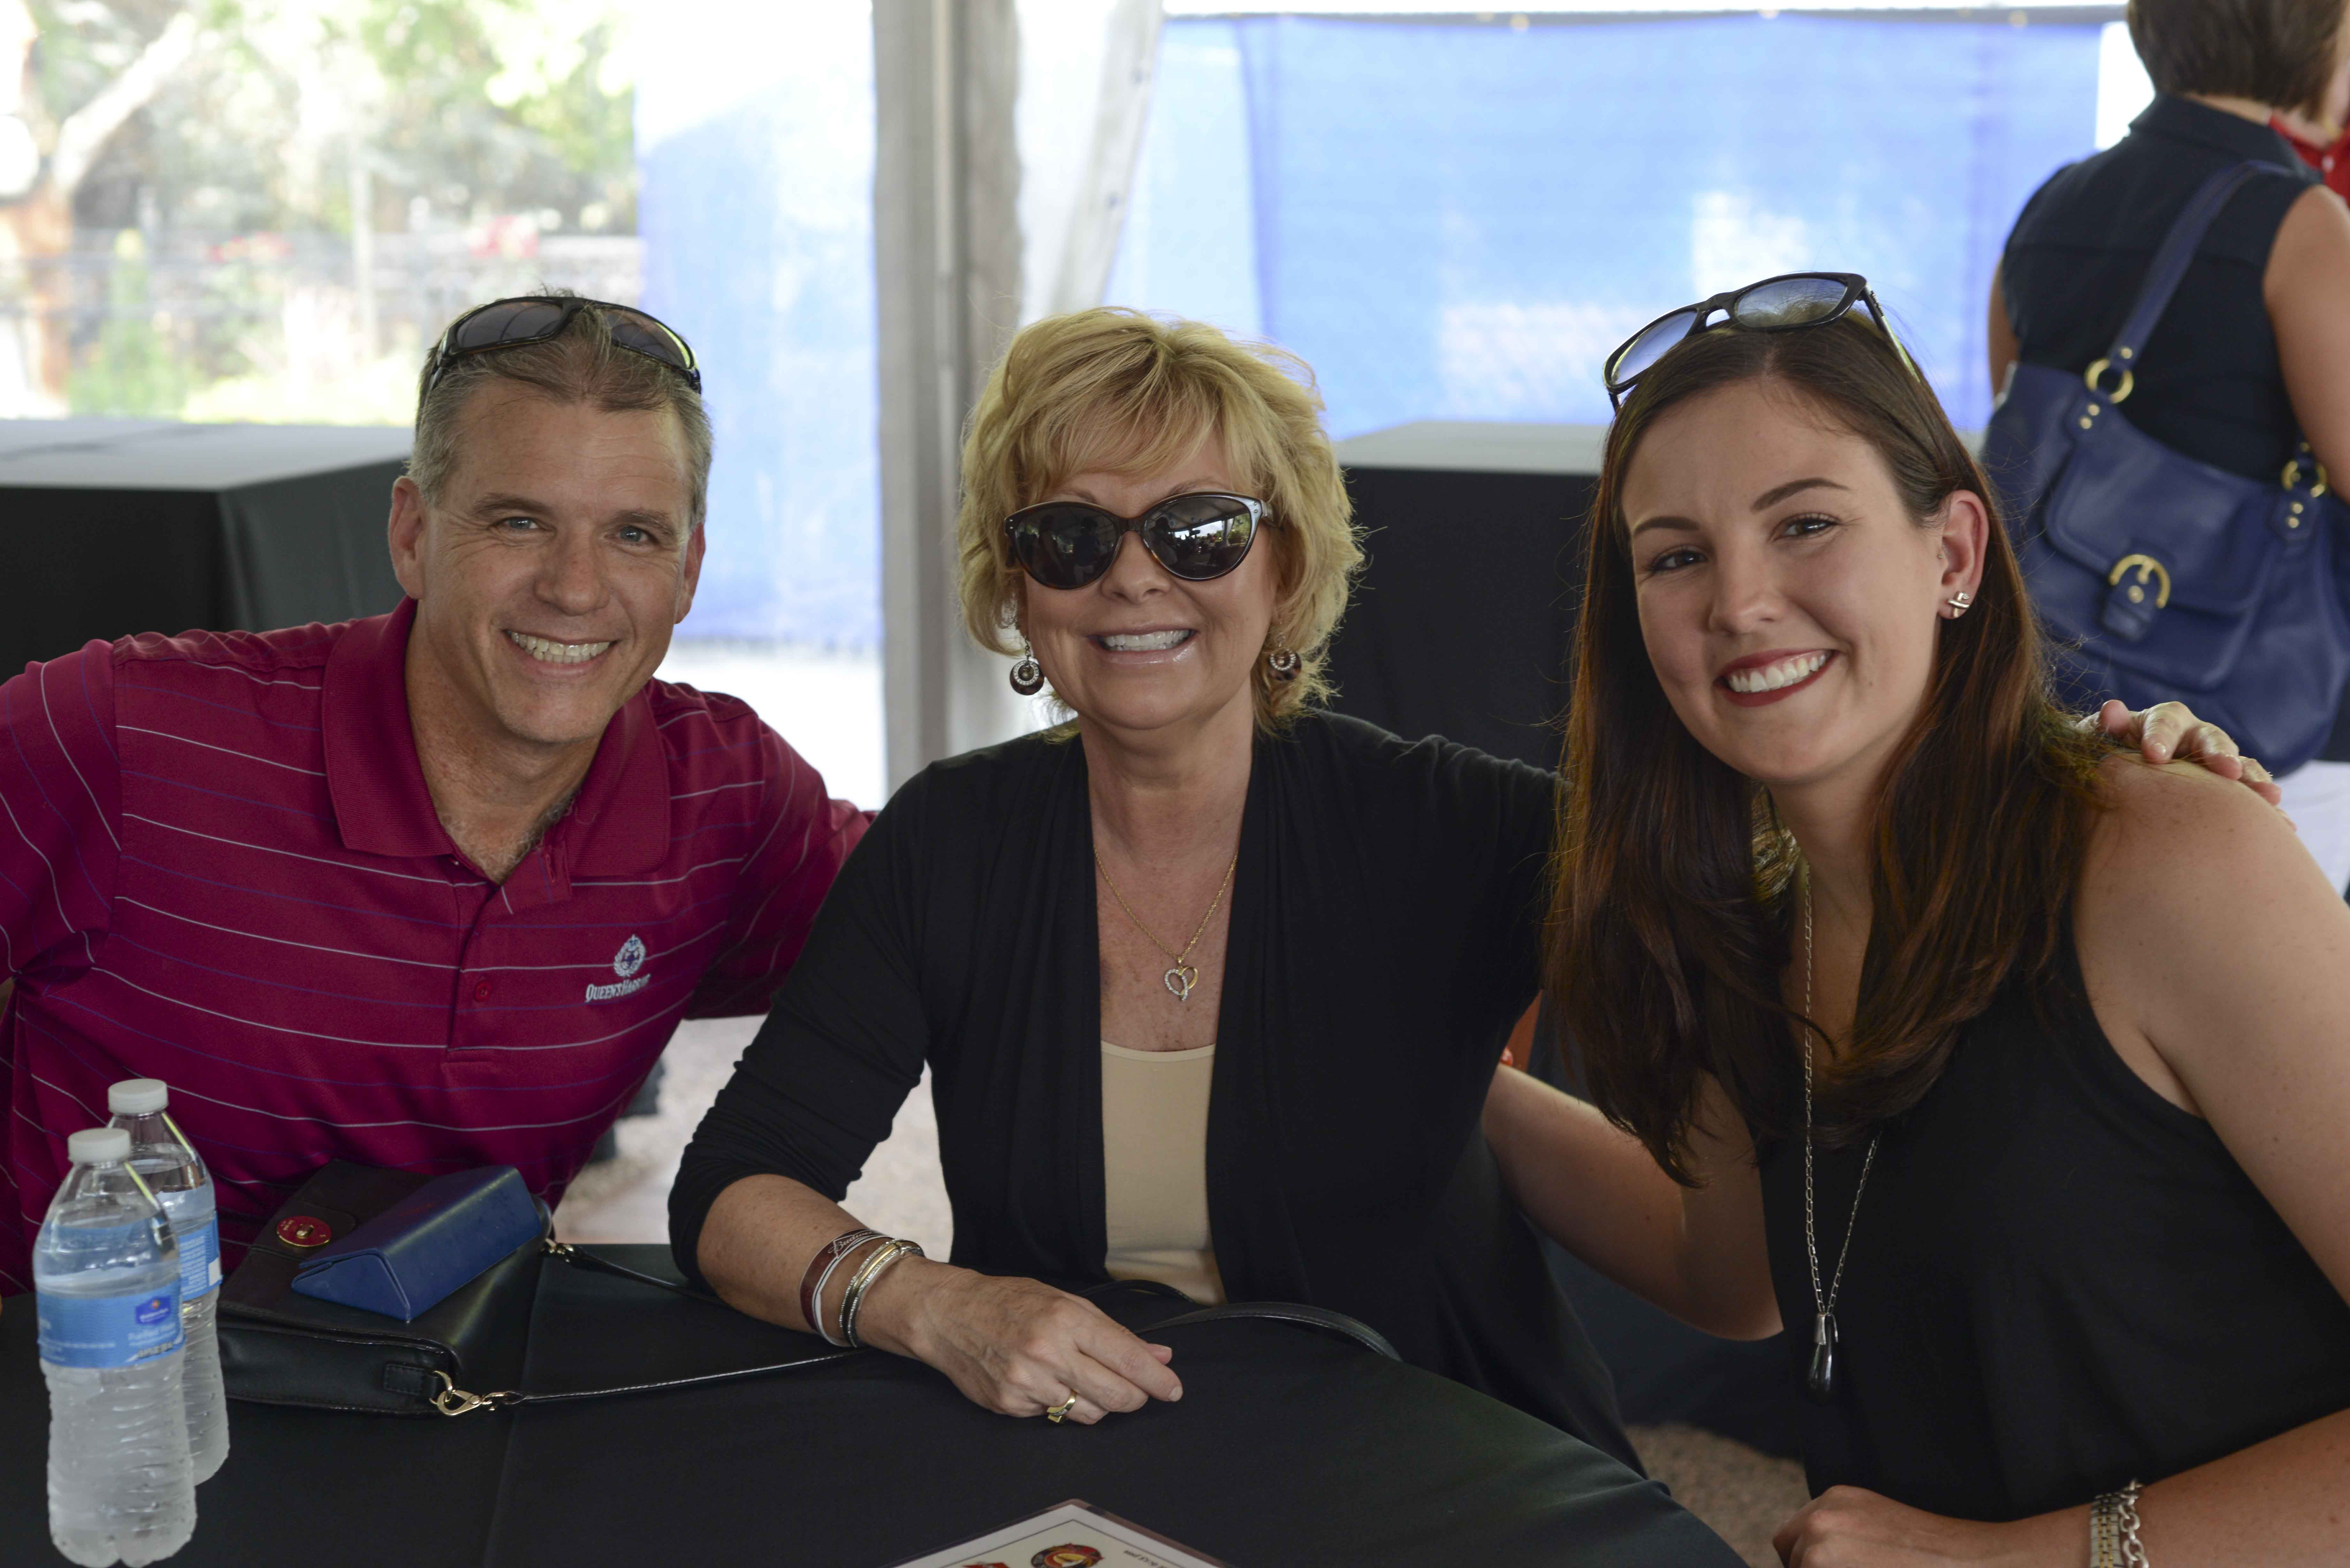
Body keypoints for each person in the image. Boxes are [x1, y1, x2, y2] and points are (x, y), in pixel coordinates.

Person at [669, 307, 2251, 1447]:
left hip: (1447, 1468)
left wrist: (2078, 771)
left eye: (1202, 529)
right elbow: (730, 1189)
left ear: (1286, 565)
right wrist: (933, 1303)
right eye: (1069, 536)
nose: (1135, 575)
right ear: (1016, 586)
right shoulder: (952, 840)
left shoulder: (1454, 828)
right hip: (1099, 1463)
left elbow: (1794, 864)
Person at [1485, 283, 2350, 1561]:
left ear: (1951, 553)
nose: (1738, 601)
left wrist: (2012, 1557)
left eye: (1804, 525)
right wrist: (1445, 1084)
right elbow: (1722, 1269)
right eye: (1674, 554)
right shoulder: (1764, 926)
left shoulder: (2163, 851)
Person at [0, 295, 864, 1295]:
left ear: (689, 571)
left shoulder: (728, 795)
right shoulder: (120, 732)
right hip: (91, 1398)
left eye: (634, 534)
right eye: (519, 521)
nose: (577, 589)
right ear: (412, 534)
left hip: (448, 1390)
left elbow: (978, 890)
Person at [1990, 0, 2350, 889]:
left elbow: (2015, 413)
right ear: (2310, 35)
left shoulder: (2051, 200)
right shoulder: (2302, 222)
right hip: (2260, 722)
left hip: (2056, 689)